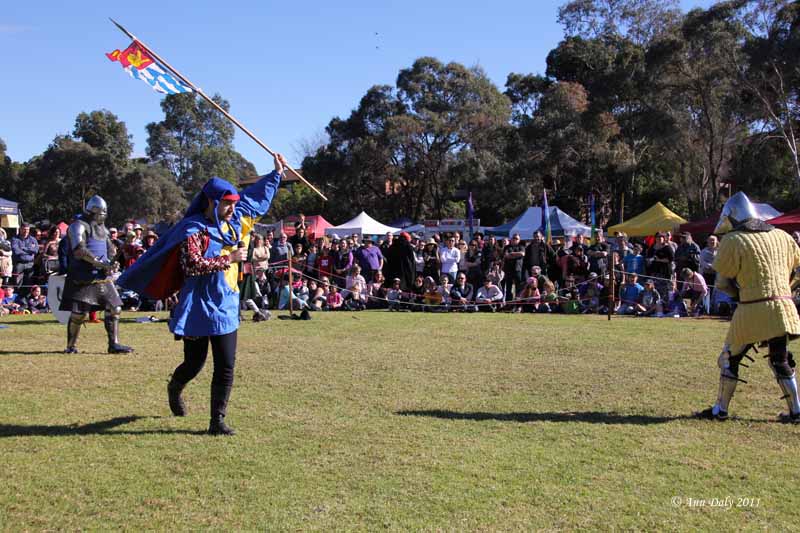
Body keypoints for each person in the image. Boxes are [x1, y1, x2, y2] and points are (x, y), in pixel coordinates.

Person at [118, 153, 288, 435]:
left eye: (234, 204)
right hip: (197, 304)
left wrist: (277, 174)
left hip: (226, 303)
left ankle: (216, 421)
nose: (233, 209)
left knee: (226, 365)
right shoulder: (193, 229)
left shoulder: (237, 219)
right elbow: (192, 265)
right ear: (212, 201)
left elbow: (257, 198)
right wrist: (229, 258)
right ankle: (175, 387)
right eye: (227, 204)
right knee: (194, 363)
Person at [696, 192, 800, 422]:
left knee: (728, 359)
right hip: (783, 308)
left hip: (751, 310)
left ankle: (720, 410)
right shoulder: (783, 236)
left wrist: (740, 295)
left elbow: (722, 283)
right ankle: (797, 411)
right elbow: (799, 269)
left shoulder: (733, 240)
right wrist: (786, 290)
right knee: (780, 359)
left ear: (732, 217)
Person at [59, 196, 132, 355]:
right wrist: (99, 263)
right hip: (82, 276)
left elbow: (110, 250)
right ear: (92, 212)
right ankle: (70, 346)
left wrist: (112, 264)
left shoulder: (103, 230)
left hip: (101, 277)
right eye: (100, 213)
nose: (102, 216)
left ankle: (114, 344)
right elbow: (79, 250)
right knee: (79, 314)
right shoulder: (78, 226)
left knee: (115, 308)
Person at [11, 223, 39, 292]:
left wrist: (23, 249)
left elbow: (36, 250)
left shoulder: (33, 239)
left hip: (30, 263)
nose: (26, 231)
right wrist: (29, 252)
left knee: (29, 282)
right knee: (17, 282)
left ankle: (27, 296)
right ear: (20, 229)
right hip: (19, 263)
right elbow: (16, 251)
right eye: (24, 229)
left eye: (27, 229)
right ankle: (17, 295)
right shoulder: (15, 239)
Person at [502, 233, 526, 304]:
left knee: (518, 287)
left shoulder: (521, 246)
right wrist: (517, 255)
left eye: (516, 238)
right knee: (508, 287)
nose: (515, 239)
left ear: (519, 240)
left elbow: (522, 254)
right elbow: (506, 255)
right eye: (513, 238)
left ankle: (518, 303)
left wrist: (512, 254)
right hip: (508, 270)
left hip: (518, 269)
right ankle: (508, 303)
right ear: (511, 239)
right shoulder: (507, 247)